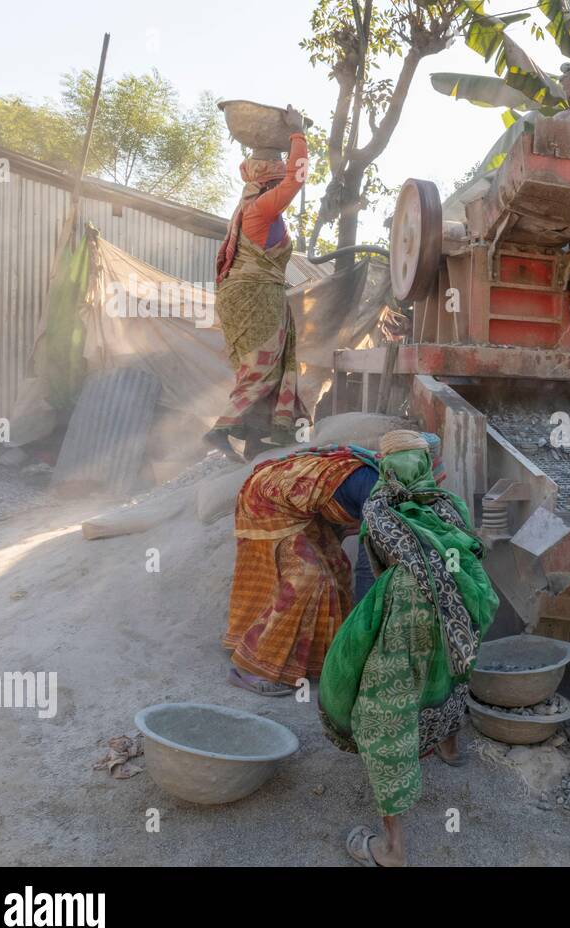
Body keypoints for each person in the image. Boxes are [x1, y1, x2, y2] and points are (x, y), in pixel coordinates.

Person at [318, 430, 498, 868]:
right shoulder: (450, 504)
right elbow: (472, 550)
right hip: (462, 609)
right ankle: (449, 748)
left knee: (386, 712)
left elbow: (381, 563)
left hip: (407, 612)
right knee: (450, 675)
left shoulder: (380, 508)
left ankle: (393, 848)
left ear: (387, 465)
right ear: (424, 464)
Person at [222, 432, 435, 696]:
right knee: (308, 579)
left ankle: (316, 659)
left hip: (300, 505)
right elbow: (367, 565)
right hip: (268, 500)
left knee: (337, 570)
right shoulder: (376, 489)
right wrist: (365, 624)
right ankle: (252, 668)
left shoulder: (388, 479)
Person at [206, 106, 309, 460]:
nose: (283, 188)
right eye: (277, 180)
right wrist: (297, 133)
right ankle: (220, 431)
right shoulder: (262, 207)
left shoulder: (251, 205)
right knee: (262, 369)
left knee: (270, 366)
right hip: (255, 293)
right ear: (269, 180)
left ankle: (255, 440)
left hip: (252, 293)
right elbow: (297, 178)